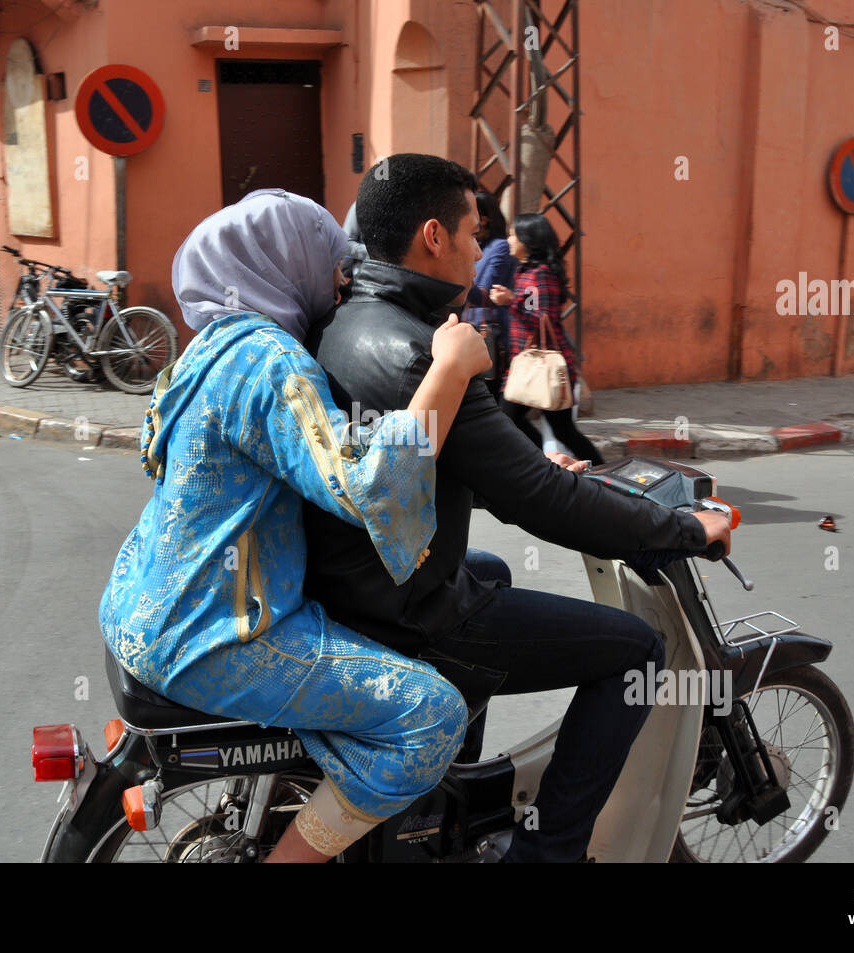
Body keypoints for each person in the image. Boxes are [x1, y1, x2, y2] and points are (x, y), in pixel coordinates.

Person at [303, 153, 732, 863]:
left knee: (492, 568)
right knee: (636, 651)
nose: (482, 251)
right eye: (474, 234)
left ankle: (444, 789)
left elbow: (464, 466)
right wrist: (684, 528)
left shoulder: (348, 319)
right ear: (434, 236)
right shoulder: (430, 350)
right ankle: (548, 852)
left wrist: (537, 465)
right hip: (406, 612)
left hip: (356, 586)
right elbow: (538, 500)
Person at [98, 189, 492, 863]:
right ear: (287, 265)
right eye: (330, 266)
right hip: (214, 636)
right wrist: (450, 367)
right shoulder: (268, 359)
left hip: (141, 610)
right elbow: (368, 486)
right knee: (433, 715)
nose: (341, 284)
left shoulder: (205, 347)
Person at [490, 212, 602, 463]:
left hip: (543, 366)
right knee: (516, 420)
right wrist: (512, 298)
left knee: (555, 429)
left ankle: (601, 473)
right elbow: (531, 307)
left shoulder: (540, 273)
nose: (508, 240)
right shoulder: (526, 271)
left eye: (512, 235)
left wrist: (511, 301)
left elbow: (543, 319)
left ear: (528, 239)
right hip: (528, 363)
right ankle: (545, 462)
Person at [462, 192, 516, 398]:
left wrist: (454, 273)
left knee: (492, 402)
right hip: (472, 329)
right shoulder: (479, 245)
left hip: (491, 333)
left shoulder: (500, 247)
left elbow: (484, 294)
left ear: (484, 219)